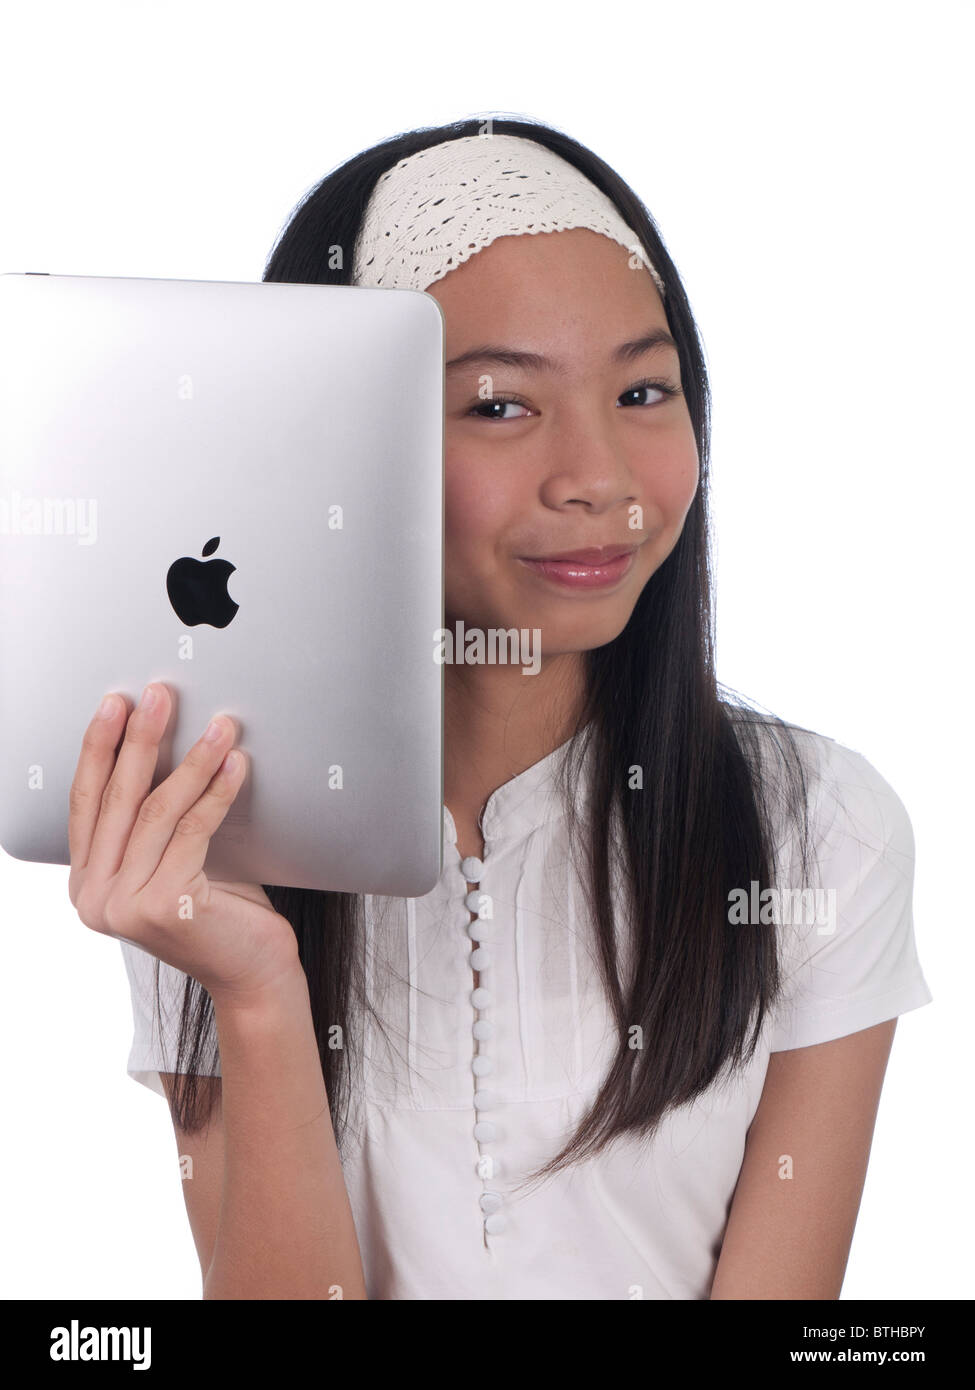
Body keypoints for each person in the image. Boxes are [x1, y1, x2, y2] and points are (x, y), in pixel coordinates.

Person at [70, 116, 933, 1300]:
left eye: (643, 389)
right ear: (338, 440)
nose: (600, 478)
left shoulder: (821, 830)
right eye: (498, 405)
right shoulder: (208, 845)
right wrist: (259, 994)